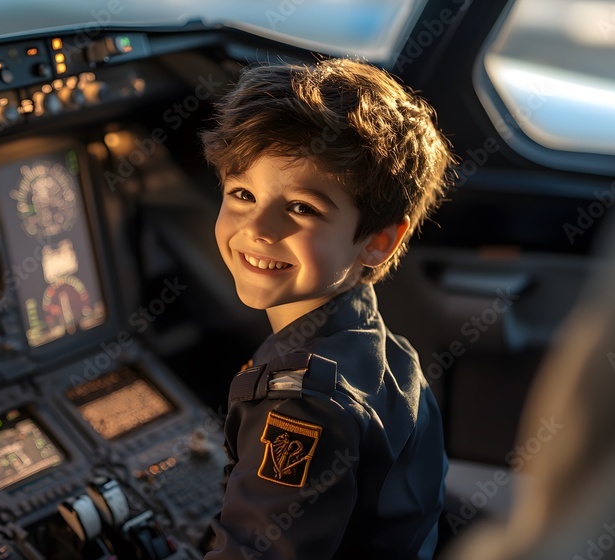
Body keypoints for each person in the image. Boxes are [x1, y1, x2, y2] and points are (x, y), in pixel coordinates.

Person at [200, 58, 454, 558]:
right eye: (243, 194)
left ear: (378, 242)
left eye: (302, 207)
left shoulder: (303, 405)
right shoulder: (385, 351)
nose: (259, 228)